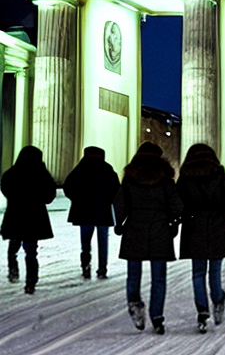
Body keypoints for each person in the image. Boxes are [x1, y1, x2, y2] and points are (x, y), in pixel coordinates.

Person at [114, 142, 184, 334]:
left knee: (133, 275)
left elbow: (120, 205)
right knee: (159, 278)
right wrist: (172, 222)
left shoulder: (129, 181)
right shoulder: (166, 182)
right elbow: (177, 206)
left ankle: (135, 304)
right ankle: (157, 317)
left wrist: (119, 223)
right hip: (160, 230)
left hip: (134, 229)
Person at [176, 143, 225, 332]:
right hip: (216, 227)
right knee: (215, 272)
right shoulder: (220, 177)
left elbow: (178, 205)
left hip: (193, 228)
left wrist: (186, 215)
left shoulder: (185, 179)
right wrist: (220, 212)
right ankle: (218, 300)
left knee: (197, 273)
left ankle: (202, 310)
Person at [1, 145, 57, 295]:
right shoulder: (41, 174)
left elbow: (6, 190)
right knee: (31, 251)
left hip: (15, 216)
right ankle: (30, 282)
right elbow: (49, 196)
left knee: (14, 244)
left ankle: (13, 268)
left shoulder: (10, 174)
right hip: (34, 218)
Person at [64, 145, 121, 281]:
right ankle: (102, 269)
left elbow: (68, 187)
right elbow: (116, 190)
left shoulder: (79, 170)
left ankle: (85, 265)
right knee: (103, 242)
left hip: (84, 212)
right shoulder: (107, 169)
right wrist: (108, 200)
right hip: (103, 211)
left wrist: (77, 200)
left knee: (85, 242)